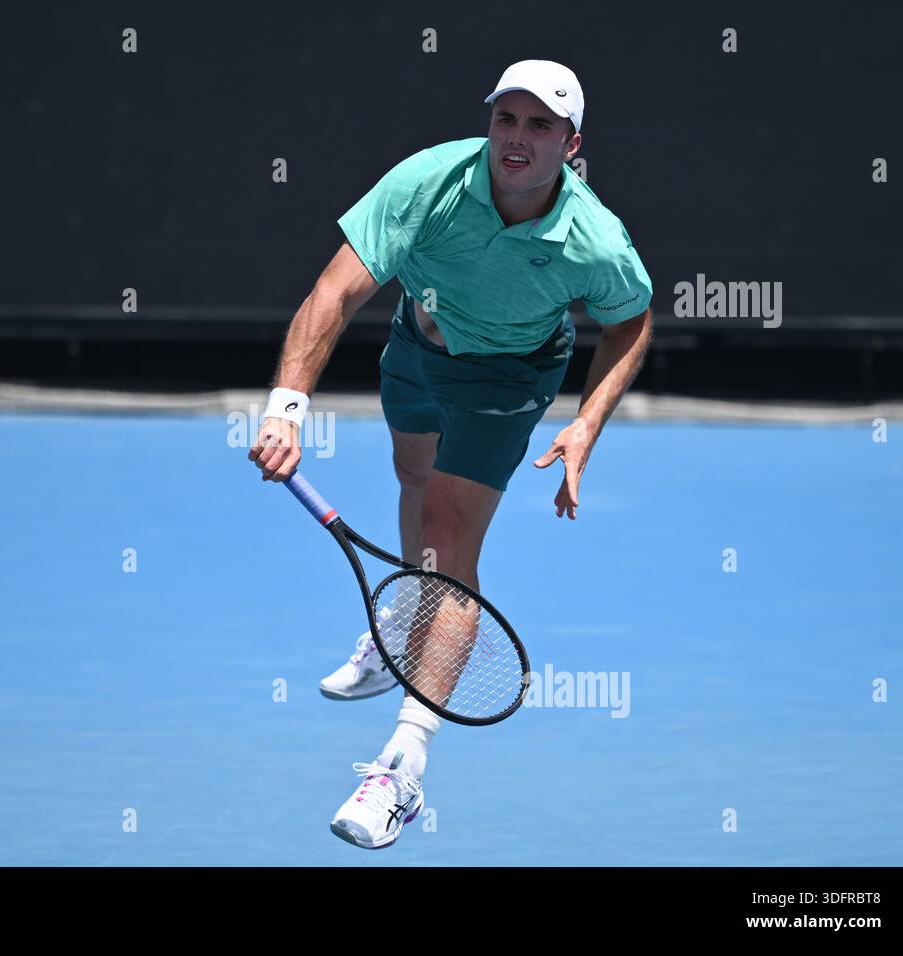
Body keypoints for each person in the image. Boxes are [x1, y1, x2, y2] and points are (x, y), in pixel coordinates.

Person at [249, 60, 653, 849]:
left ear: (571, 145)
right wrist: (287, 408)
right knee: (413, 477)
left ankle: (400, 768)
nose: (517, 138)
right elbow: (332, 295)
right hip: (417, 347)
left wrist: (586, 423)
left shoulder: (594, 239)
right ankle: (405, 621)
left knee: (447, 545)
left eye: (541, 126)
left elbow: (631, 323)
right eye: (508, 118)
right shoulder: (426, 184)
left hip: (508, 376)